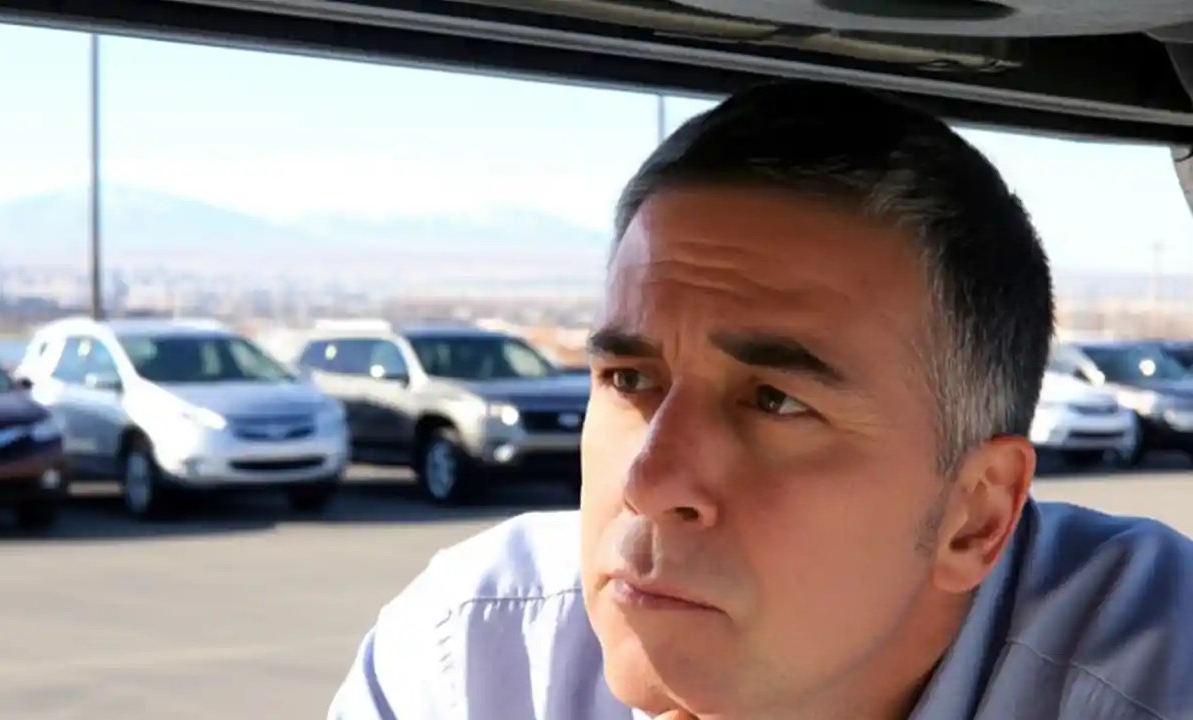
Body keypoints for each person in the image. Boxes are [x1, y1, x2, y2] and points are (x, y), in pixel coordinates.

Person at [328, 80, 1193, 720]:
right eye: (629, 380)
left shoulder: (1156, 676)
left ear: (975, 516)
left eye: (774, 401)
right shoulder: (480, 659)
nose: (649, 479)